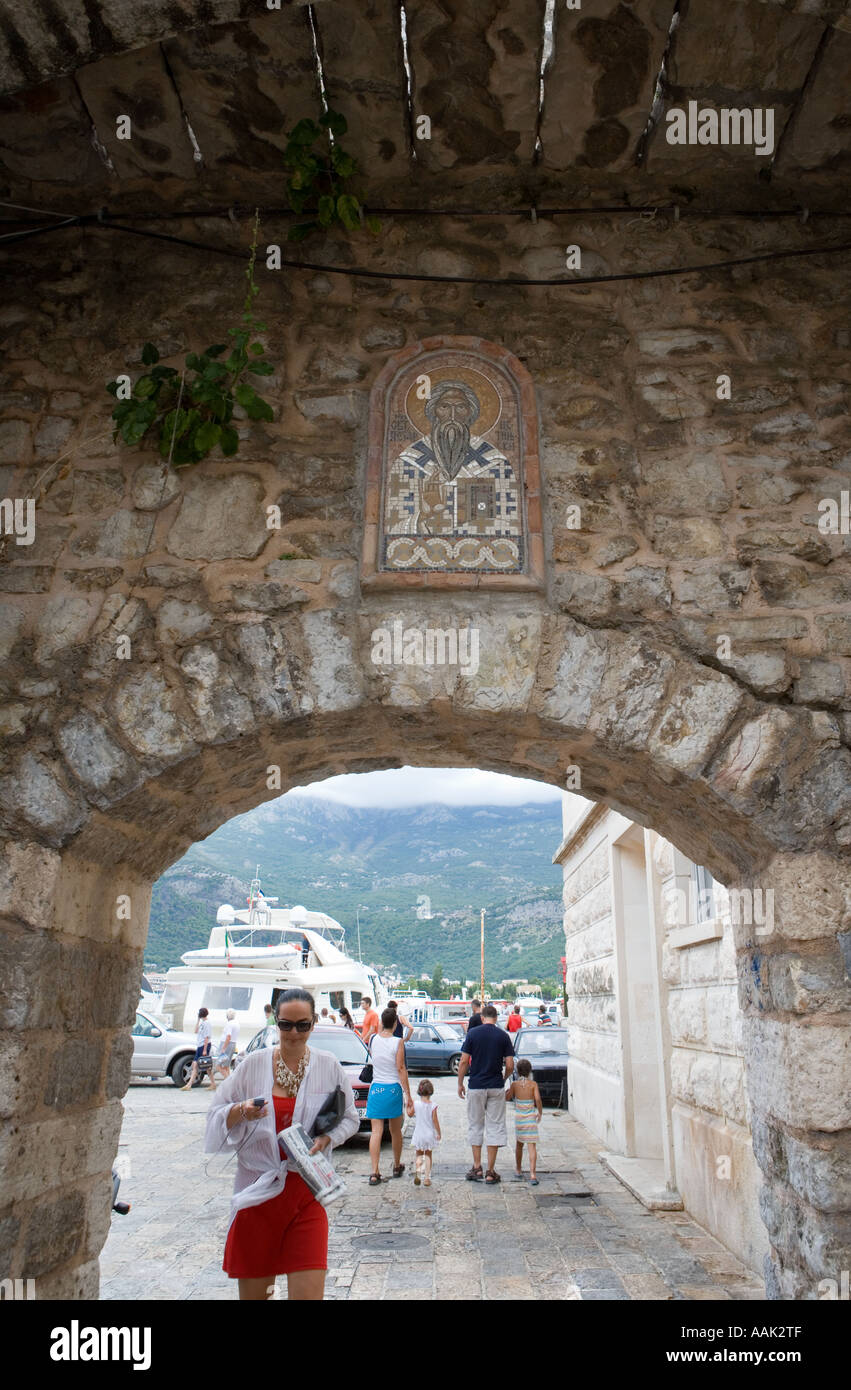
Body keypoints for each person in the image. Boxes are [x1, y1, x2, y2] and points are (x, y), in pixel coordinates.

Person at [205, 986, 359, 1301]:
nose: (294, 1033)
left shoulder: (329, 1066)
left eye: (302, 1025)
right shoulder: (253, 1065)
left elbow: (351, 1118)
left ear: (314, 1023)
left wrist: (328, 1137)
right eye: (286, 1024)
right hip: (258, 1197)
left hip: (305, 1196)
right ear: (276, 1022)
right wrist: (241, 1110)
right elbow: (215, 1114)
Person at [457, 1004, 514, 1184]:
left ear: (482, 1017)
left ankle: (477, 1167)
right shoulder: (503, 1036)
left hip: (476, 1085)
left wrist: (460, 1082)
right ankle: (490, 1170)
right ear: (496, 1018)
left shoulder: (472, 1034)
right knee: (495, 1126)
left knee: (475, 1125)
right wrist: (503, 1079)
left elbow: (464, 1061)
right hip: (495, 1085)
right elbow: (510, 1065)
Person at [366, 1007, 414, 1185]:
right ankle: (396, 1164)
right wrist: (408, 1095)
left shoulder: (373, 1039)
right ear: (395, 1023)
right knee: (395, 1131)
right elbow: (401, 1068)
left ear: (381, 1022)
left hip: (376, 1087)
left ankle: (374, 1171)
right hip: (393, 1088)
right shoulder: (398, 1042)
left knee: (376, 1131)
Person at [506, 1058, 543, 1185]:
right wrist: (540, 1112)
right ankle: (533, 1174)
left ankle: (518, 1169)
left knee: (519, 1144)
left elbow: (508, 1097)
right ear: (529, 1071)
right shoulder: (533, 1084)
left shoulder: (514, 1085)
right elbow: (537, 1099)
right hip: (530, 1118)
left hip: (519, 1119)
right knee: (532, 1146)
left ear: (517, 1071)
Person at [411, 1078, 441, 1187]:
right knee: (428, 1156)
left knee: (418, 1155)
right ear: (430, 1092)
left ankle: (418, 1174)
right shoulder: (433, 1105)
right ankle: (427, 1178)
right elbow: (435, 1120)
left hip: (418, 1134)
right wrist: (439, 1132)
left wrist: (408, 1103)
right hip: (429, 1134)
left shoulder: (416, 1104)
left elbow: (409, 1113)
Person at [182, 1007, 214, 1091]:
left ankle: (212, 1083)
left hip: (203, 1046)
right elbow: (196, 1031)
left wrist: (204, 1049)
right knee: (195, 1065)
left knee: (205, 1065)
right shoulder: (202, 1023)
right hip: (200, 1045)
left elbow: (207, 1037)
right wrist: (198, 1020)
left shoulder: (207, 1023)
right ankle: (189, 1085)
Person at [214, 1009, 240, 1079]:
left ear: (227, 1016)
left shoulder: (229, 1024)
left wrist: (223, 1048)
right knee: (226, 1065)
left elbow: (228, 1036)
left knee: (218, 1065)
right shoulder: (237, 1023)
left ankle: (229, 1080)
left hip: (227, 1045)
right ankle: (228, 1082)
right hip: (233, 1044)